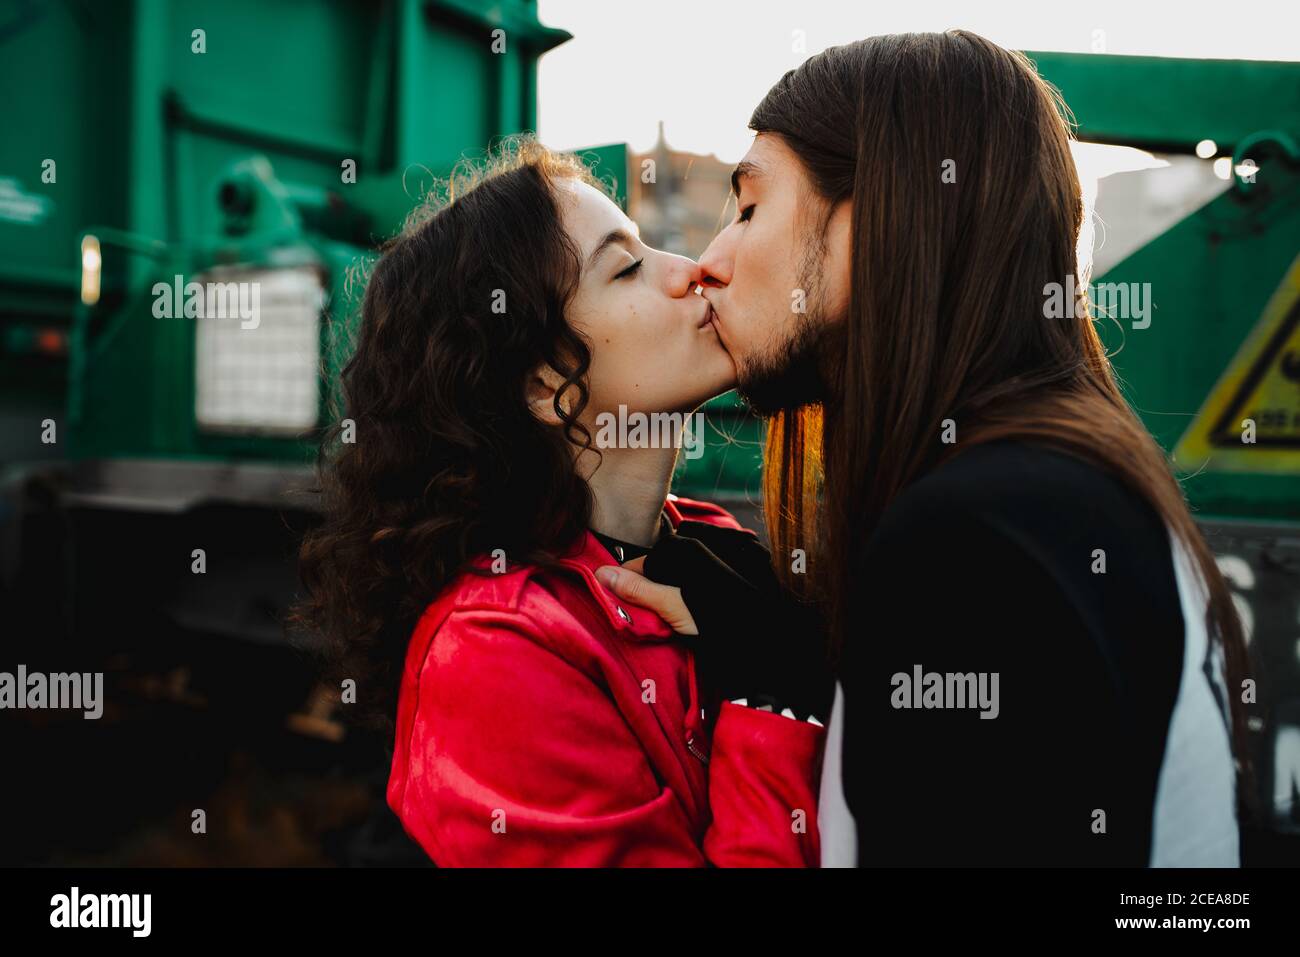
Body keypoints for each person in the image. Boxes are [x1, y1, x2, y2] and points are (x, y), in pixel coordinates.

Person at [599, 30, 1253, 867]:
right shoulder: (1053, 490)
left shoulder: (981, 540)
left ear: (875, 220)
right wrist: (804, 662)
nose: (712, 259)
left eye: (753, 207)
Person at [293, 137, 825, 866]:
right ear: (545, 385)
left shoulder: (707, 544)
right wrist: (776, 696)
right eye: (630, 267)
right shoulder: (496, 650)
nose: (691, 269)